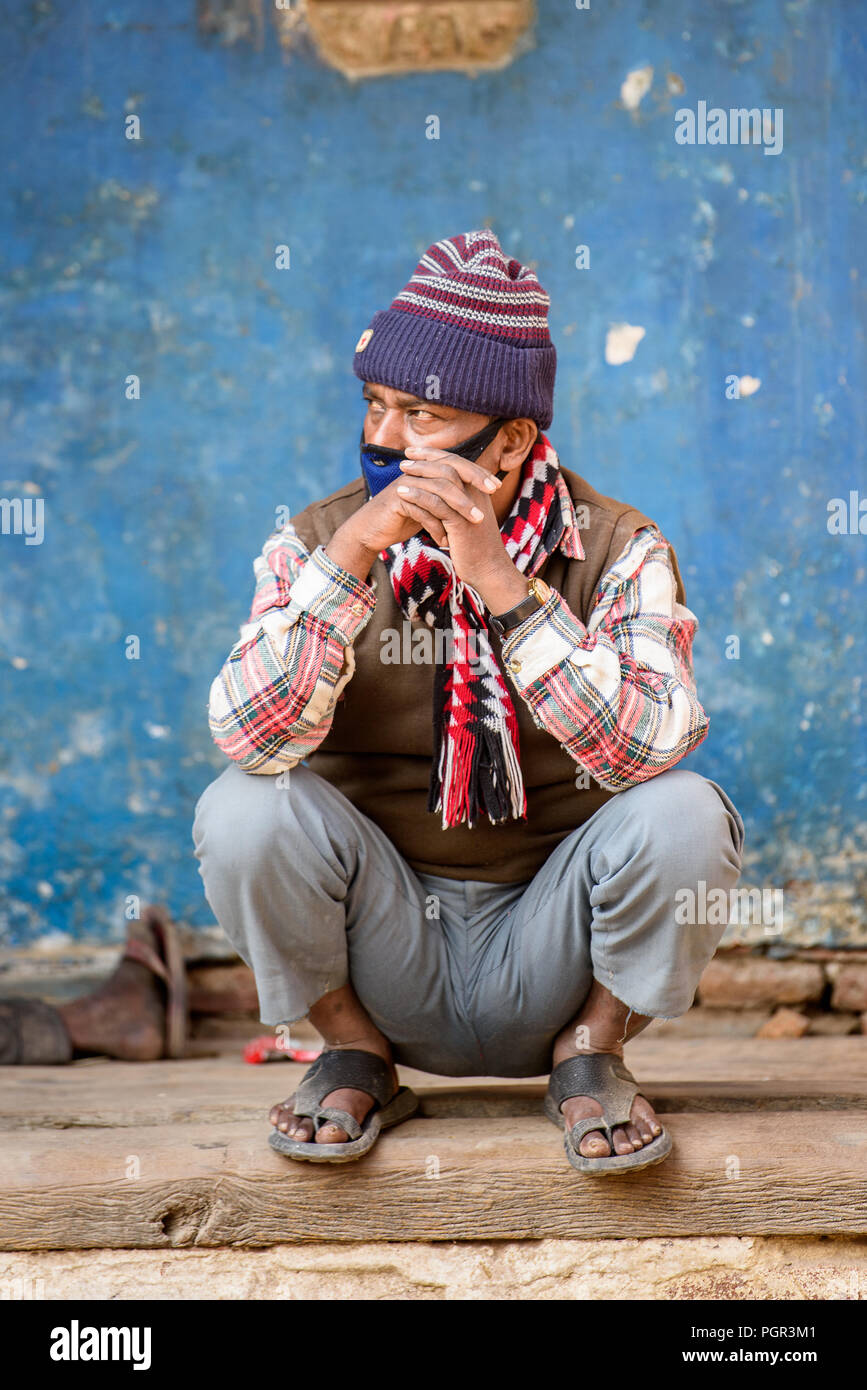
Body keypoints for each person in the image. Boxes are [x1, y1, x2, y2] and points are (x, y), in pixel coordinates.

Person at [193, 230, 744, 1175]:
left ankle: (592, 1055)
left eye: (421, 415)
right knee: (244, 806)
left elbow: (647, 749)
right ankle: (350, 1050)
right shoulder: (318, 542)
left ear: (514, 439)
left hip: (554, 947)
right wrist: (351, 563)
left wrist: (503, 585)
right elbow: (250, 734)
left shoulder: (619, 549)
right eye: (373, 404)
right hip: (384, 946)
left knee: (687, 813)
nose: (381, 439)